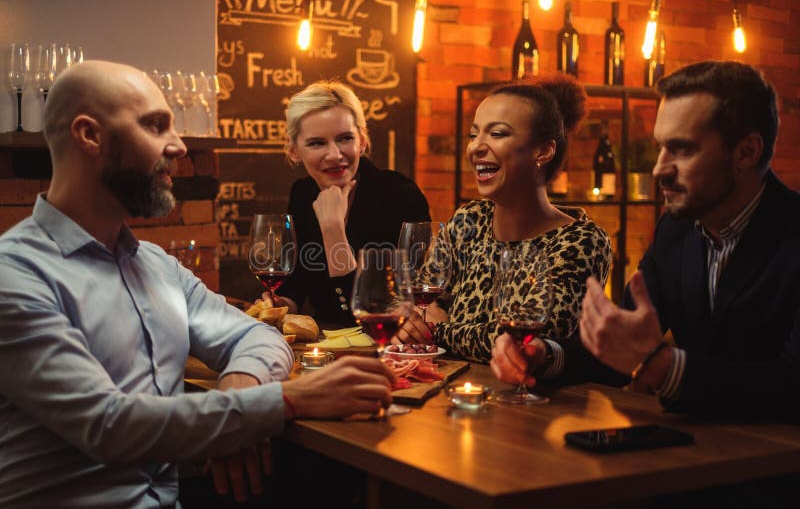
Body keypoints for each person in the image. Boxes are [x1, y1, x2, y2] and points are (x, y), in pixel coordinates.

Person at [0, 61, 396, 507]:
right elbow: (108, 426)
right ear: (89, 136)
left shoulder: (156, 267)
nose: (179, 145)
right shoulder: (14, 275)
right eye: (155, 125)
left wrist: (237, 409)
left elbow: (258, 335)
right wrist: (283, 402)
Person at [493, 61, 800, 422]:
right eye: (660, 148)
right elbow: (616, 350)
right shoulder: (677, 228)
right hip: (690, 454)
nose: (659, 169)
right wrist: (544, 355)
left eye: (682, 149)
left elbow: (791, 386)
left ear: (746, 152)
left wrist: (665, 366)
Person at [395, 74, 613, 365]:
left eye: (497, 134)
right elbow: (419, 307)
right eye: (474, 135)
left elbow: (524, 343)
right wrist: (418, 322)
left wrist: (436, 330)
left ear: (543, 150)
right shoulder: (468, 221)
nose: (476, 147)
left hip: (534, 403)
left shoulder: (580, 240)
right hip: (453, 395)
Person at [269, 80, 430, 327]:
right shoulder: (302, 193)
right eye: (316, 143)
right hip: (324, 346)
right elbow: (297, 278)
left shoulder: (401, 195)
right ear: (293, 151)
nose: (334, 155)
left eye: (345, 138)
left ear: (362, 141)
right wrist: (282, 303)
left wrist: (334, 230)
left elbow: (385, 305)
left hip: (388, 345)